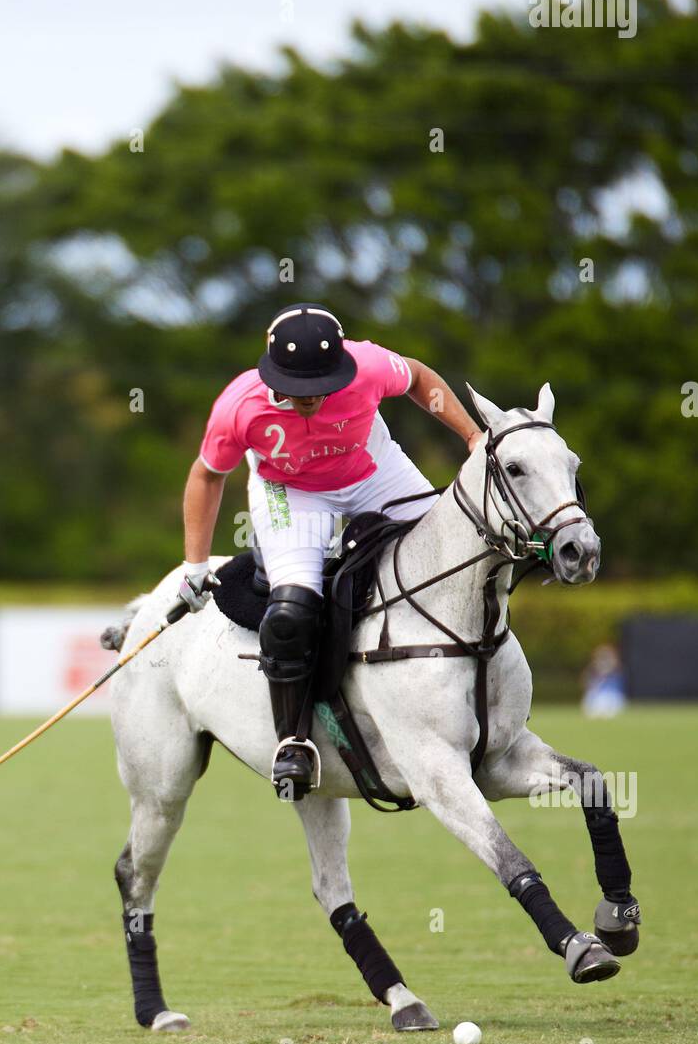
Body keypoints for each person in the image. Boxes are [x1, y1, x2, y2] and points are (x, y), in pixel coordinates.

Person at [179, 302, 483, 800]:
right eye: (296, 391)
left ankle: (488, 686)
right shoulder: (240, 405)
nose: (308, 401)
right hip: (291, 491)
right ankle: (294, 741)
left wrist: (472, 435)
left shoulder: (369, 365)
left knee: (456, 556)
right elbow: (207, 474)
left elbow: (420, 379)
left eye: (319, 389)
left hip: (372, 469)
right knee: (292, 610)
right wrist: (195, 564)